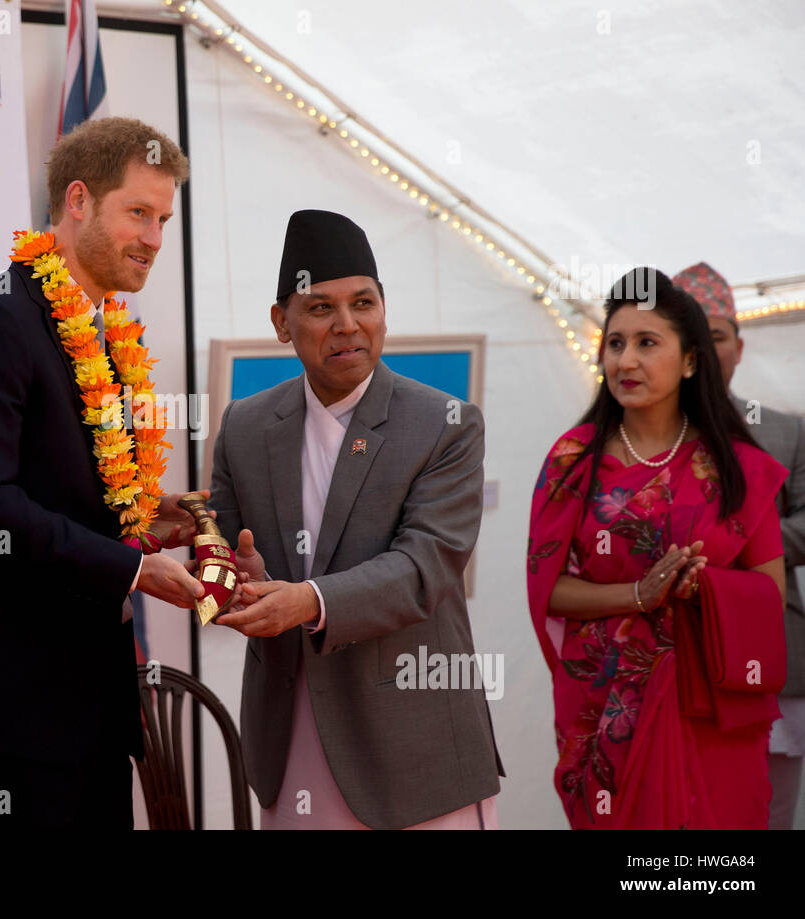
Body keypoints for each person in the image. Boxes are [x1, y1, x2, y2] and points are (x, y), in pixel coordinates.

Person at [0, 117, 209, 829]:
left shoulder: (103, 330)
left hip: (93, 702)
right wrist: (132, 570)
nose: (154, 239)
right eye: (138, 213)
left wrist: (143, 512)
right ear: (77, 200)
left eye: (163, 219)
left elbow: (68, 488)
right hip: (14, 711)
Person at [208, 209, 502, 829]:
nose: (347, 326)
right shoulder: (245, 425)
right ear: (281, 323)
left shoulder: (444, 424)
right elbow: (226, 556)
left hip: (414, 744)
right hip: (291, 737)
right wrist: (239, 574)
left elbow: (425, 568)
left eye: (363, 303)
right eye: (320, 308)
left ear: (384, 311)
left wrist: (307, 601)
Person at [527, 267, 788, 829]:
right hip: (604, 702)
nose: (626, 361)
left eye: (648, 343)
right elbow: (549, 590)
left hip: (713, 704)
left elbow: (770, 593)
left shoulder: (737, 467)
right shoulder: (573, 461)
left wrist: (705, 588)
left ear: (690, 360)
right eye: (615, 344)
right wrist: (639, 595)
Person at [674, 261, 805, 829]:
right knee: (680, 802)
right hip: (674, 640)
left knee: (768, 807)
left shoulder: (782, 429)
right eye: (694, 335)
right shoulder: (641, 434)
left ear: (739, 347)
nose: (708, 348)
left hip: (772, 638)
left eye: (718, 335)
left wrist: (743, 545)